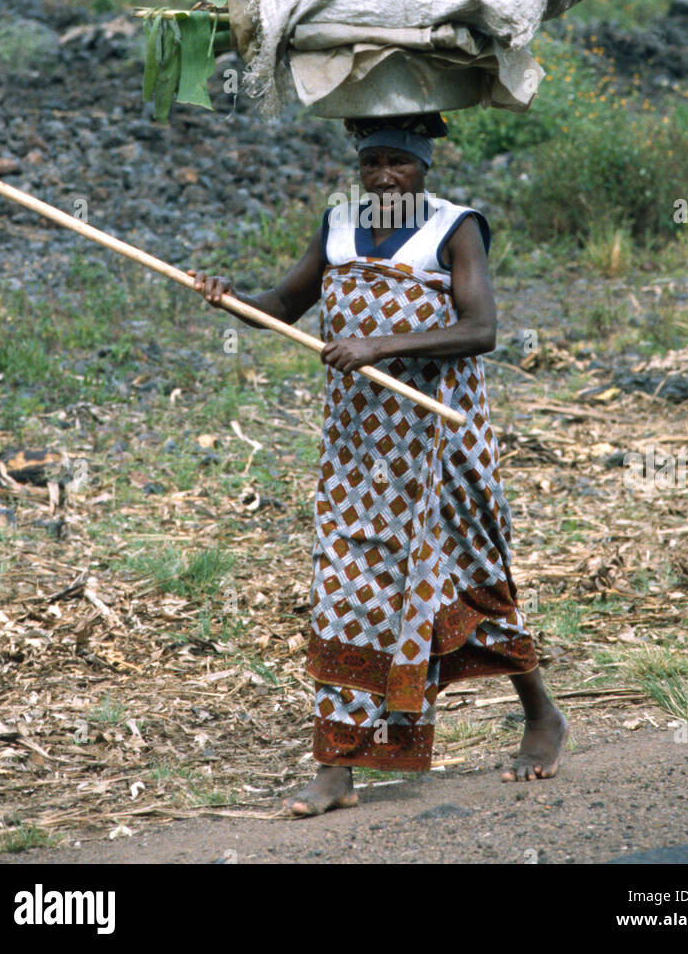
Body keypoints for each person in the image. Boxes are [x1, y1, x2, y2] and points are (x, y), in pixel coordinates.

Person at [191, 113, 567, 817]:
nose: (384, 176)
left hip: (439, 450)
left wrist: (378, 346)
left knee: (468, 580)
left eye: (399, 162)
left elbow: (479, 329)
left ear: (425, 164)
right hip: (357, 452)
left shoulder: (454, 228)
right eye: (372, 164)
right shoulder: (337, 225)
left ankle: (542, 714)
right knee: (344, 587)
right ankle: (335, 766)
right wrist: (229, 299)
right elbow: (283, 304)